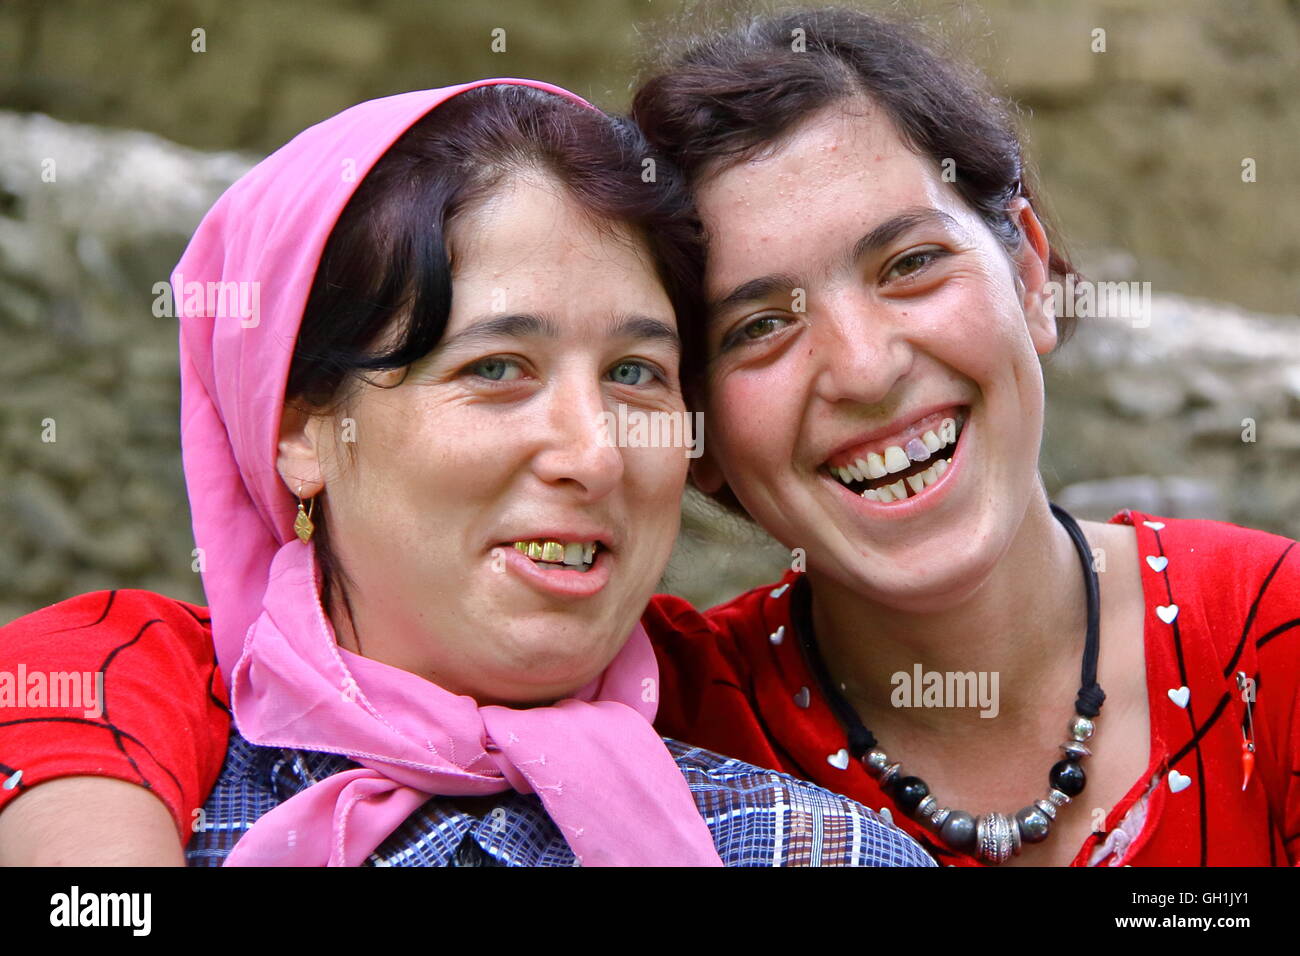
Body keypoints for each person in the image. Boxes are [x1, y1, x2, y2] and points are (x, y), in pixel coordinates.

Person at [6, 7, 1298, 867]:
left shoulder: (1266, 648)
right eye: (758, 325)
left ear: (1028, 270)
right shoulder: (652, 686)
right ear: (705, 441)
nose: (863, 366)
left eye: (909, 263)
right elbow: (174, 659)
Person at [0, 76, 936, 867]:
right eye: (496, 369)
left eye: (634, 374)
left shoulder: (807, 848)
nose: (594, 453)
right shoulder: (113, 797)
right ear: (302, 434)